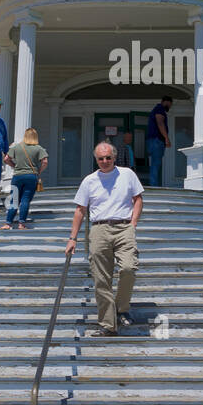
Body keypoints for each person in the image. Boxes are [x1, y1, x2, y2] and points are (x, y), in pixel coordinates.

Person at [67, 141, 144, 337]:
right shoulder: (89, 180)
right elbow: (80, 210)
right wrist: (72, 238)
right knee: (102, 278)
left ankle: (122, 308)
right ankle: (108, 324)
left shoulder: (127, 174)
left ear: (114, 157)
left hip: (123, 227)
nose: (104, 161)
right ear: (96, 159)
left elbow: (138, 199)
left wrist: (133, 224)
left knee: (128, 268)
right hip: (99, 229)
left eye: (108, 157)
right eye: (100, 158)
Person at [2, 128, 48, 230]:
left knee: (14, 199)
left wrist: (14, 166)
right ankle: (21, 224)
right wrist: (39, 171)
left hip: (17, 176)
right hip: (31, 176)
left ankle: (8, 223)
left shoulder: (17, 147)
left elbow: (6, 159)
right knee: (25, 199)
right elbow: (45, 161)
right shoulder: (38, 148)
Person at [145, 95, 172, 186]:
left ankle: (153, 184)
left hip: (152, 141)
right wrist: (166, 138)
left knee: (154, 164)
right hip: (156, 141)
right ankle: (154, 186)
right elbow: (160, 123)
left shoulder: (156, 109)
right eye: (169, 104)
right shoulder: (160, 109)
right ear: (166, 102)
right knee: (156, 164)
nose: (169, 107)